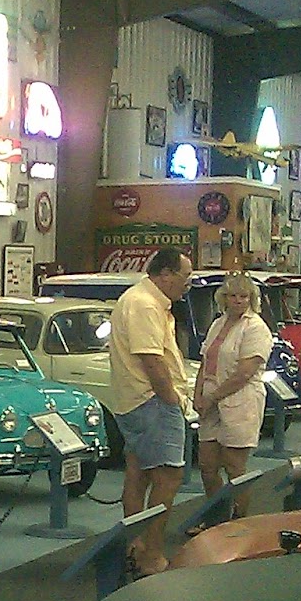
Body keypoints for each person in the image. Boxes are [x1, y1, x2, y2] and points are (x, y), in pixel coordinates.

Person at [109, 247, 193, 577]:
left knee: (138, 473)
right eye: (185, 277)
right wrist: (171, 398)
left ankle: (135, 545)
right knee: (168, 476)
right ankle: (151, 556)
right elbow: (152, 359)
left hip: (135, 402)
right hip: (151, 402)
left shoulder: (139, 300)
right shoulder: (144, 304)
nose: (188, 283)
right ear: (166, 274)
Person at [192, 272, 274, 519]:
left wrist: (212, 397)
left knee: (235, 466)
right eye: (233, 296)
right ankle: (216, 517)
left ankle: (240, 521)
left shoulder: (256, 328)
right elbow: (205, 361)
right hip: (210, 402)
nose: (238, 301)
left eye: (243, 296)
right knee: (207, 466)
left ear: (251, 299)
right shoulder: (218, 323)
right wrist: (198, 395)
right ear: (224, 298)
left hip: (240, 402)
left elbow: (244, 373)